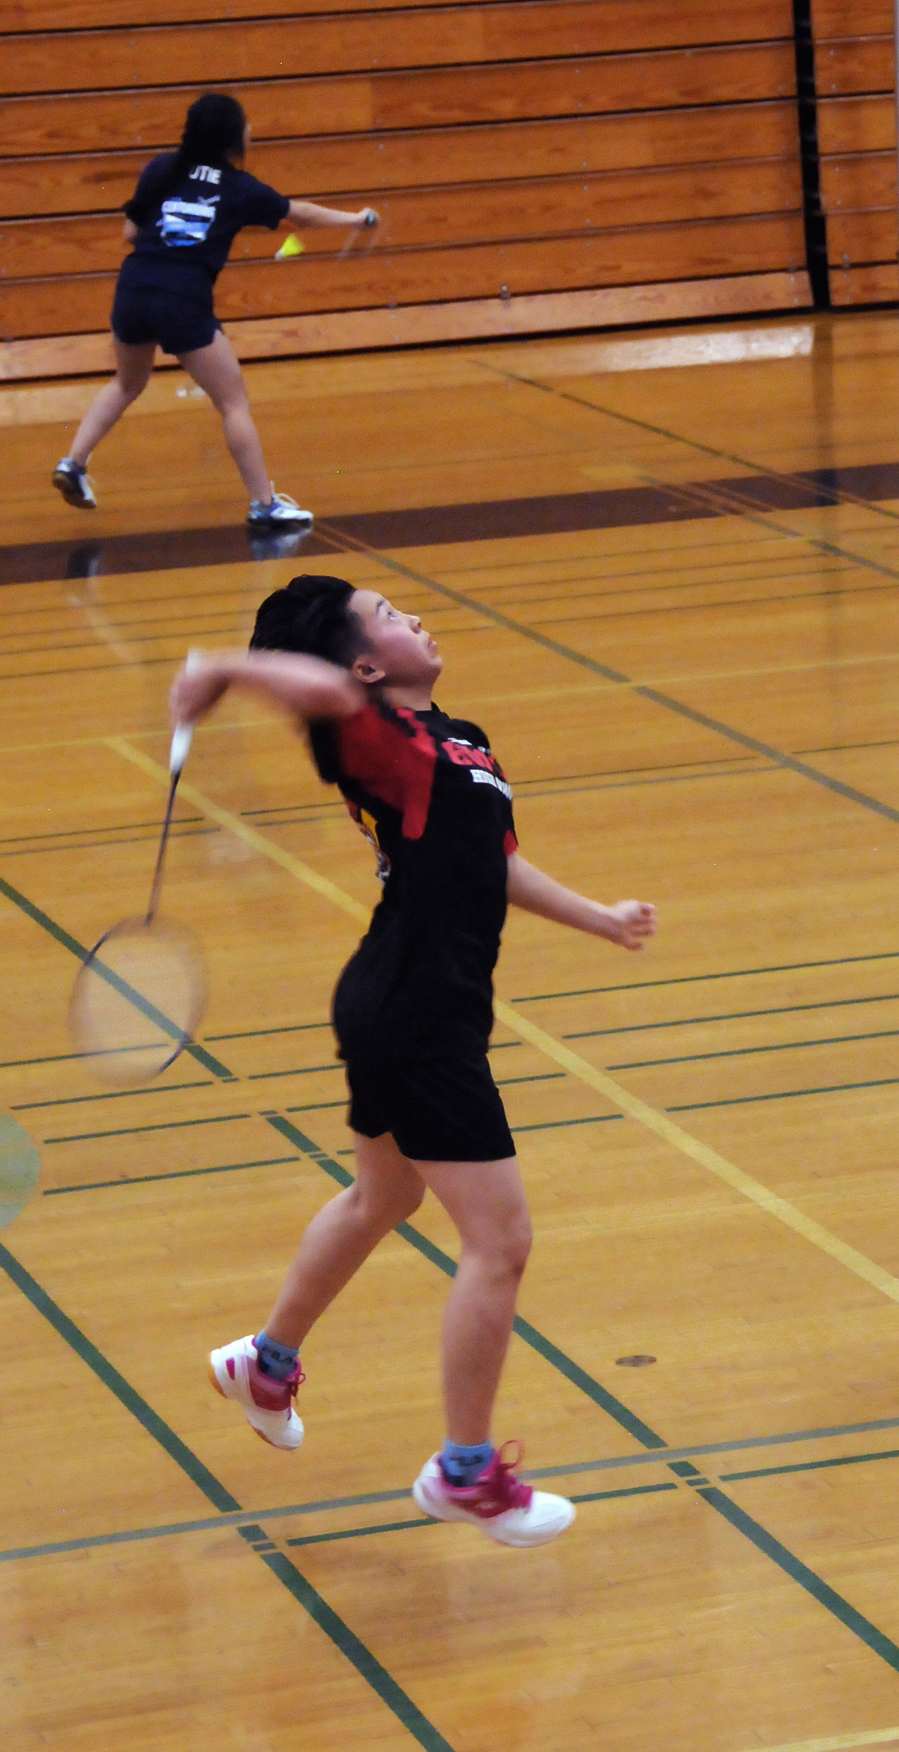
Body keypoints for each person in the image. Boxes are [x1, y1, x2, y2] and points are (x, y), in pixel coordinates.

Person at [168, 575, 657, 1545]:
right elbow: (321, 699)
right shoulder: (376, 740)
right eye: (388, 616)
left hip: (400, 997)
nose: (414, 616)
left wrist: (597, 918)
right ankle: (465, 1472)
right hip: (418, 1007)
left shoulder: (458, 741)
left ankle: (267, 1363)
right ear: (363, 665)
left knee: (382, 1198)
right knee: (501, 1242)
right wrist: (222, 666)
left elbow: (494, 863)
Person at [52, 93, 379, 533]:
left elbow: (130, 232)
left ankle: (74, 463)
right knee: (232, 402)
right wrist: (355, 220)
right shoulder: (239, 187)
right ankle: (264, 505)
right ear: (232, 137)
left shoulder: (161, 169)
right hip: (181, 295)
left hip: (133, 288)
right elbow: (299, 216)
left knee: (127, 381)